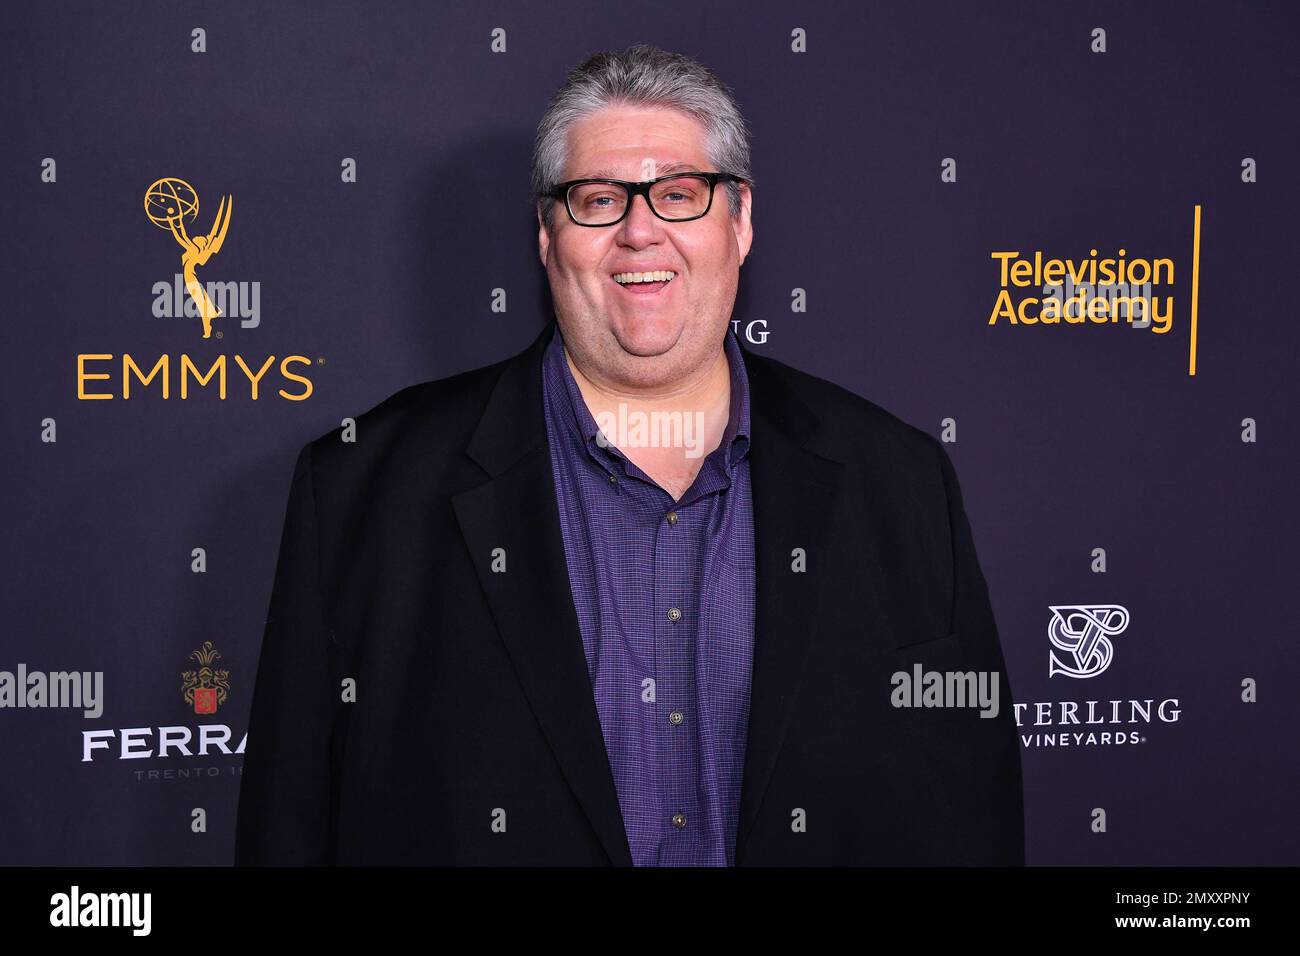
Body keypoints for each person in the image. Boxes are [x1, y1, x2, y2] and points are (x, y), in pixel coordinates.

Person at [235, 43, 1023, 866]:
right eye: (599, 199)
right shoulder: (365, 491)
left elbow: (967, 812)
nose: (640, 232)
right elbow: (290, 826)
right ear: (547, 237)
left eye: (680, 194)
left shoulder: (897, 482)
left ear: (740, 221)